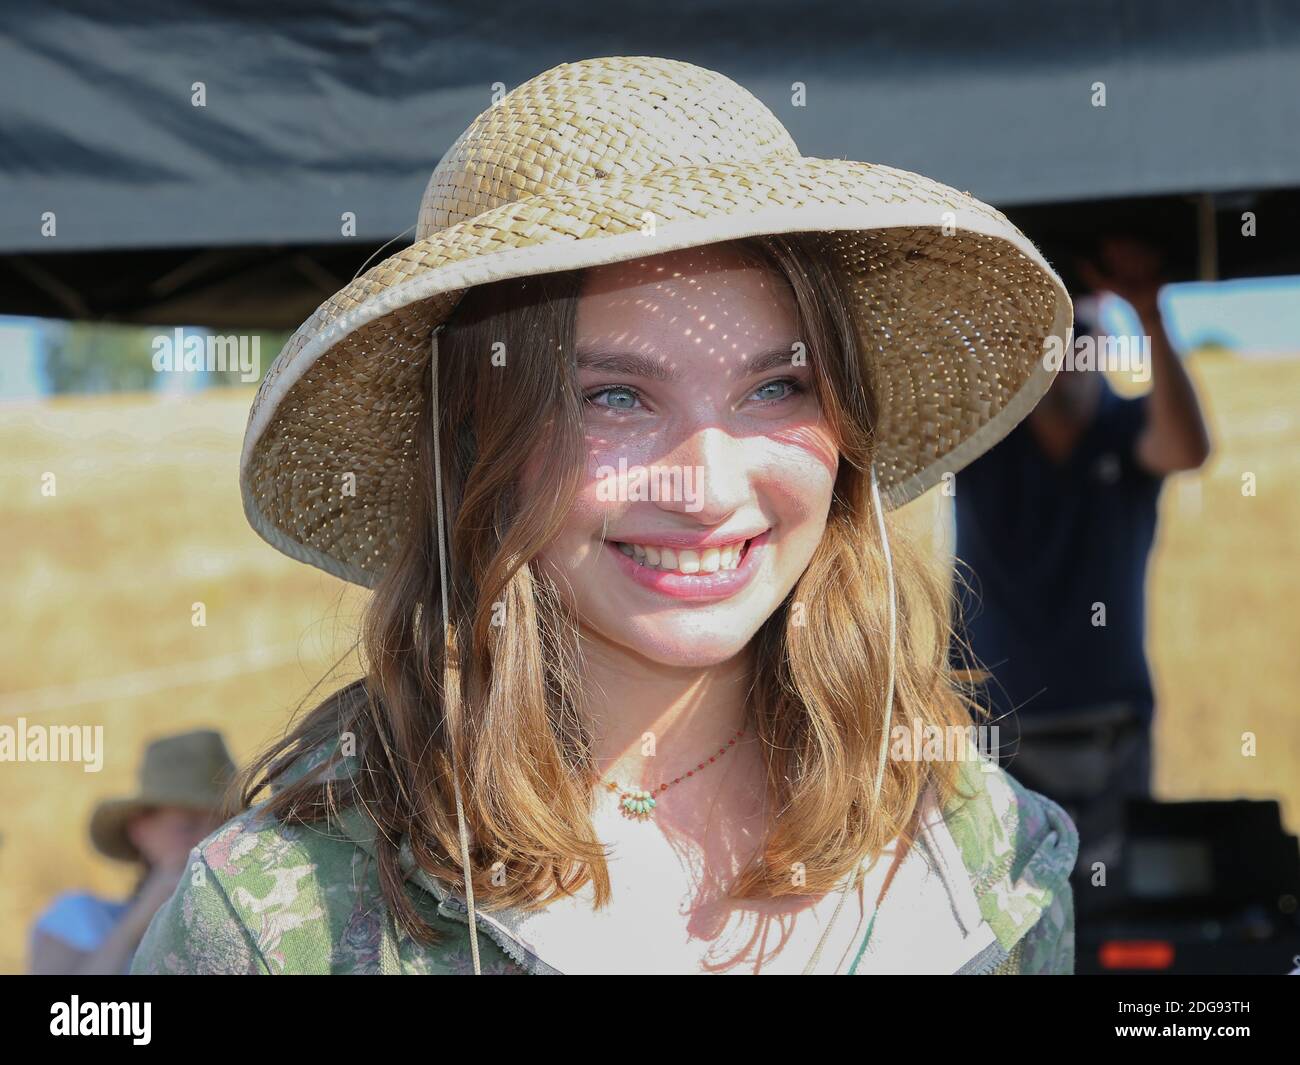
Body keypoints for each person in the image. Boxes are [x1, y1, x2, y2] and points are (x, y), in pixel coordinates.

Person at [132, 55, 1079, 976]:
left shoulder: (990, 863)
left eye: (777, 386)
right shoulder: (283, 917)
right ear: (475, 446)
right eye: (615, 397)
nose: (706, 486)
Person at [951, 235, 1211, 880]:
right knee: (994, 922)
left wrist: (1149, 313)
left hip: (1109, 718)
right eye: (1046, 338)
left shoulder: (1125, 433)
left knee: (1116, 907)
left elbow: (1188, 451)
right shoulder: (983, 436)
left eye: (1084, 332)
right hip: (990, 726)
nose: (1066, 351)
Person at [27, 729, 233, 974]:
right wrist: (140, 919)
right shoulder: (79, 918)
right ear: (140, 829)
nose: (209, 841)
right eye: (187, 827)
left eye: (227, 826)